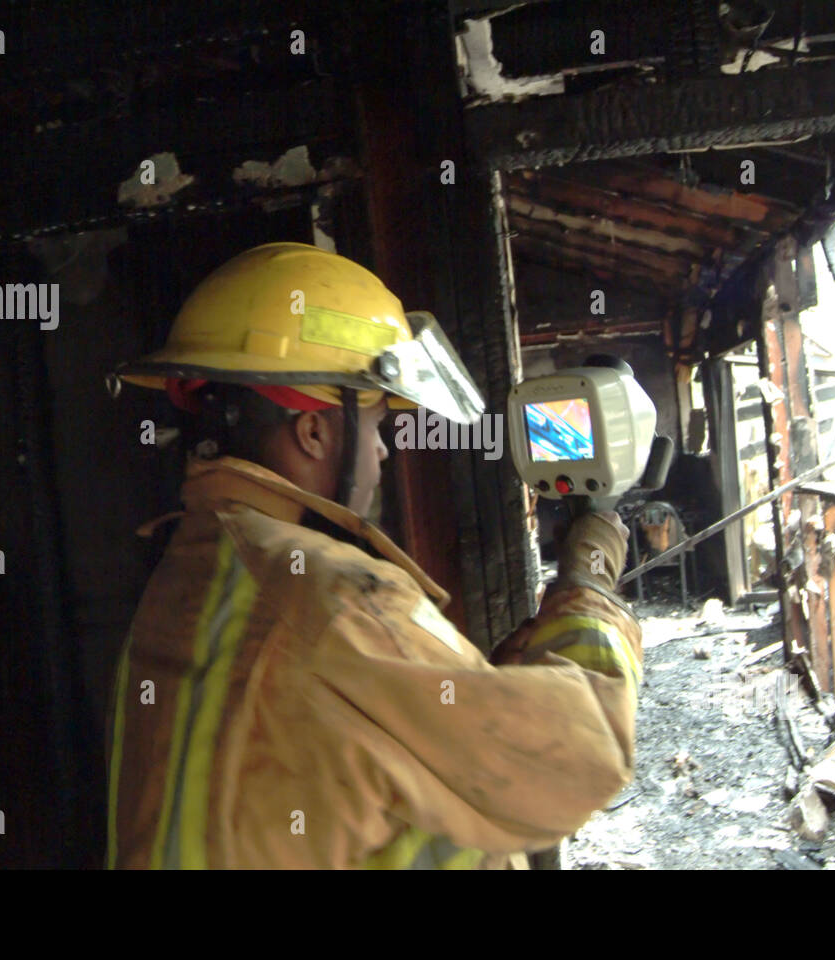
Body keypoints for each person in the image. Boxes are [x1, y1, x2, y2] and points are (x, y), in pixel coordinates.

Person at [105, 242, 642, 869]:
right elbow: (581, 756)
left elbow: (352, 725)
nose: (385, 454)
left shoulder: (189, 571)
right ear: (314, 431)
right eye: (379, 427)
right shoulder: (332, 597)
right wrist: (588, 585)